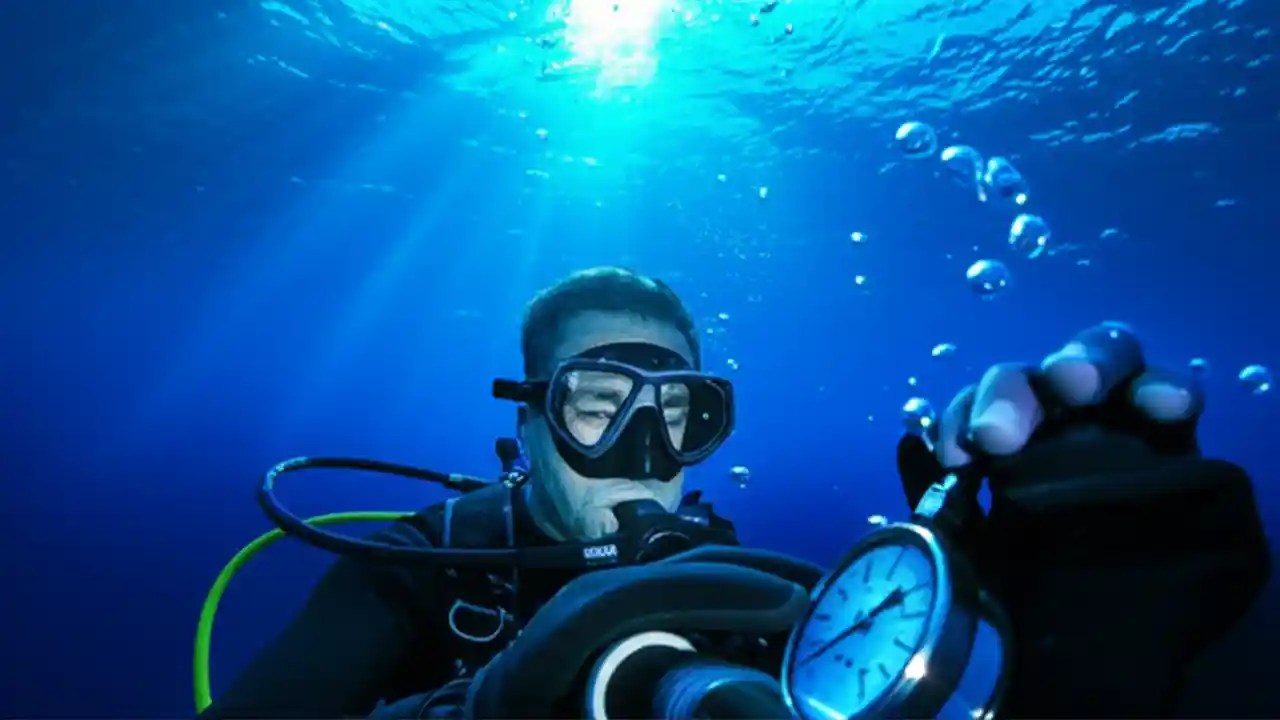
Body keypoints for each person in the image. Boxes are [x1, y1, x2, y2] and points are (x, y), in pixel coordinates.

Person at [202, 266, 1269, 719]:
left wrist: (1031, 663)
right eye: (595, 406)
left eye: (679, 416)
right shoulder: (415, 573)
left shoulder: (732, 596)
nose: (642, 452)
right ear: (526, 425)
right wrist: (485, 707)